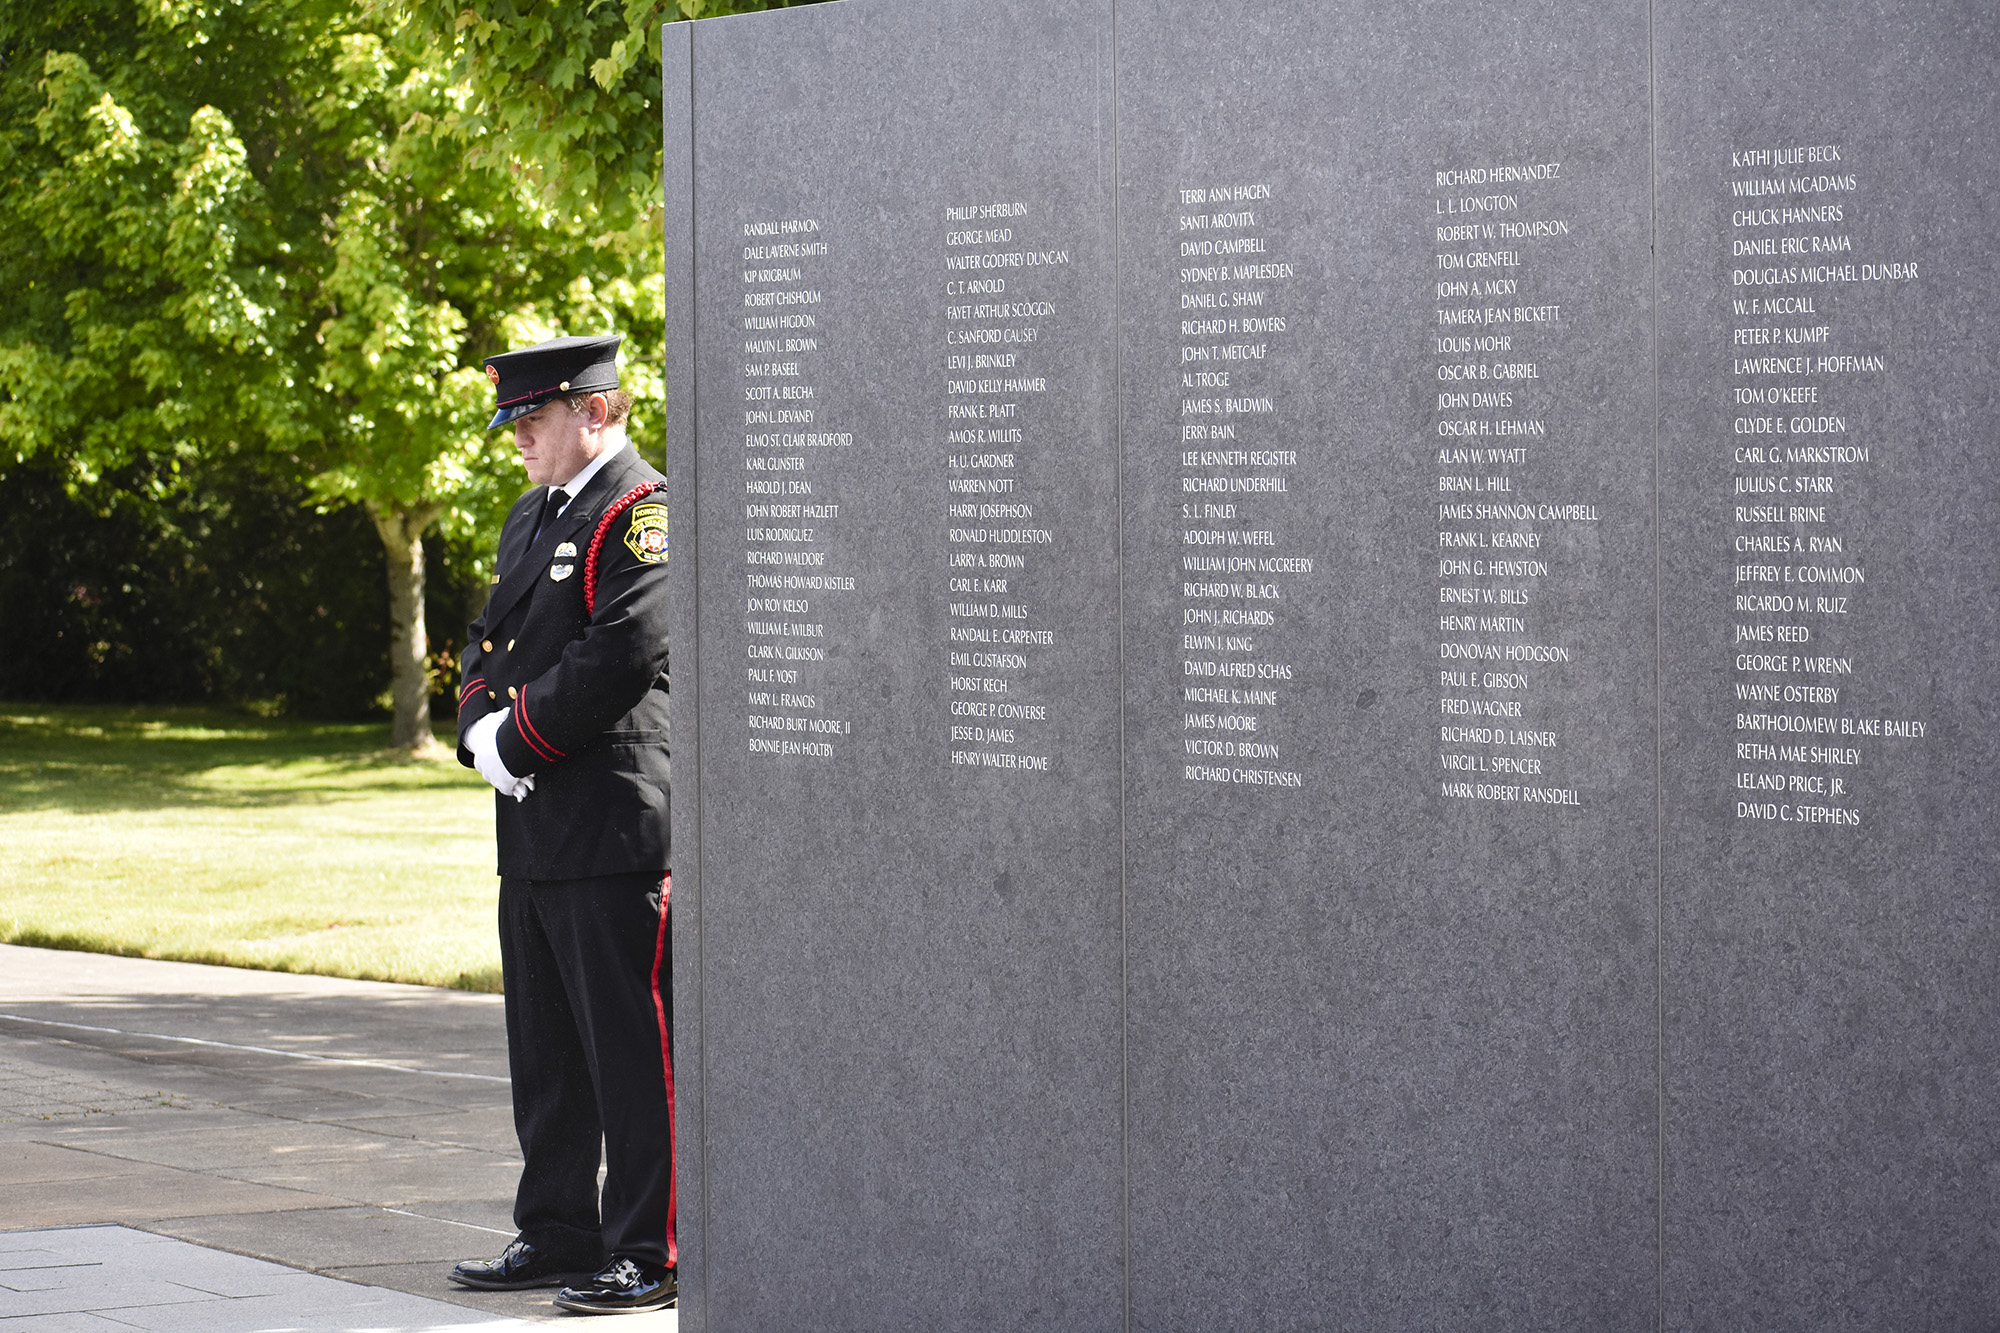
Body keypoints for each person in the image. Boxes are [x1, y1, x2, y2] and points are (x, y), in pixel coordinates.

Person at [445, 333, 677, 1315]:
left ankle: (649, 1246)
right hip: (537, 827)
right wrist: (477, 729)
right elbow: (486, 637)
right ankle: (554, 1230)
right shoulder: (528, 517)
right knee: (544, 1048)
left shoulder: (643, 512)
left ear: (596, 410)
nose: (518, 442)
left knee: (630, 1049)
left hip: (614, 824)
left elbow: (623, 649)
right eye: (512, 424)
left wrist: (520, 737)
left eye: (531, 421)